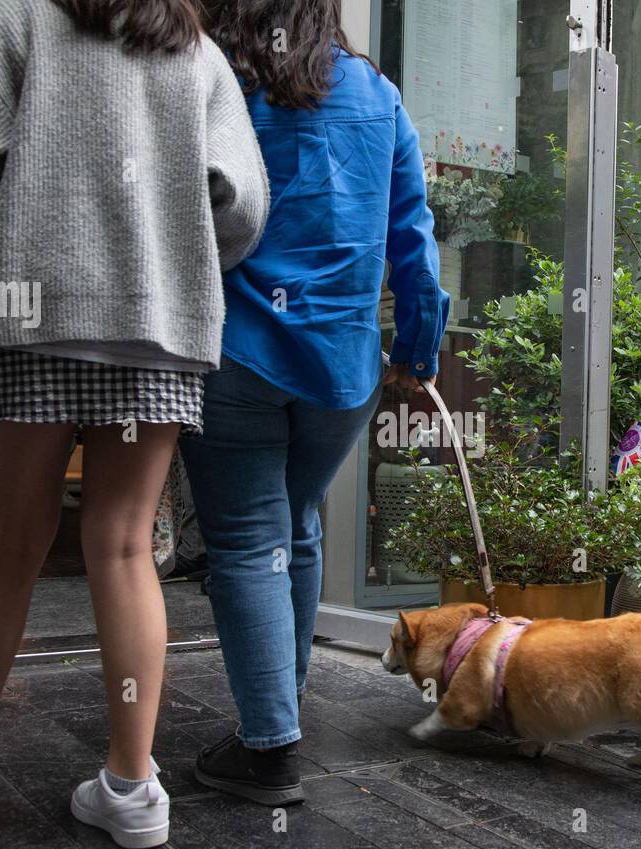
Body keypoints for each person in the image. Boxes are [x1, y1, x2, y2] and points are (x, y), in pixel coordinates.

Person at [0, 0, 269, 849]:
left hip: (29, 310)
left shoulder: (16, 22)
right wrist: (169, 241)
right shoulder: (195, 50)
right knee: (122, 545)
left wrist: (12, 209)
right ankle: (132, 785)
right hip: (159, 325)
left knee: (5, 539)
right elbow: (244, 207)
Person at [179, 0, 450, 806]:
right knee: (294, 524)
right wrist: (417, 348)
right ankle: (280, 713)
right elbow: (414, 237)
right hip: (341, 369)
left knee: (248, 538)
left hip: (239, 350)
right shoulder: (376, 94)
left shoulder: (217, 78)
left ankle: (269, 748)